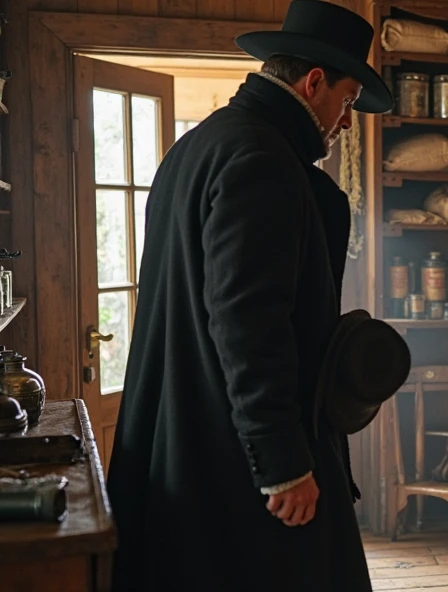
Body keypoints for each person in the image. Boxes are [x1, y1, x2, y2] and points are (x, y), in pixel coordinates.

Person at [105, 2, 394, 591]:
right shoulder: (262, 159)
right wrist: (282, 463)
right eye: (345, 100)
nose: (345, 121)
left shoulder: (200, 145)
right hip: (232, 457)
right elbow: (248, 321)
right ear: (313, 83)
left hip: (190, 439)